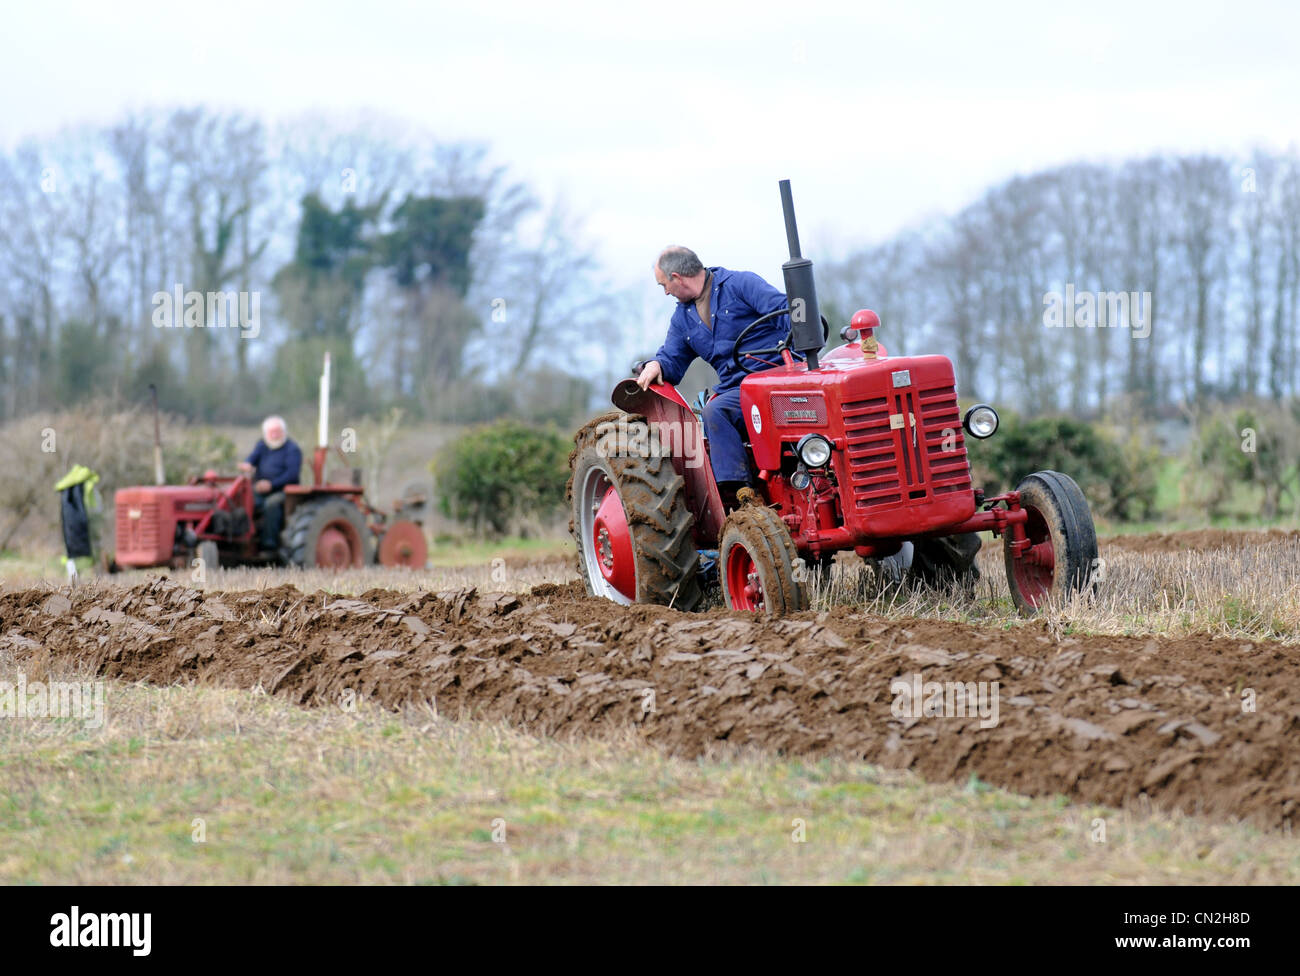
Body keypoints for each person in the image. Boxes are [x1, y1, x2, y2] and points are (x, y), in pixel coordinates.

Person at [637, 246, 790, 508]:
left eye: (664, 285)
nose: (665, 292)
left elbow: (786, 312)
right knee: (714, 411)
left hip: (778, 376)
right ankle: (742, 496)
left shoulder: (741, 284)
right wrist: (656, 365)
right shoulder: (682, 319)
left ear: (678, 277)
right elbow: (672, 359)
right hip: (738, 390)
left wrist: (799, 336)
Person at [237, 416, 302, 553]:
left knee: (271, 504)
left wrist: (271, 484)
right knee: (244, 501)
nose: (274, 435)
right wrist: (247, 465)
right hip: (261, 488)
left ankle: (269, 545)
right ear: (266, 433)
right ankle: (242, 539)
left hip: (284, 491)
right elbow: (252, 458)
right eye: (271, 432)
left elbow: (292, 474)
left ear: (284, 432)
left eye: (277, 432)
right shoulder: (262, 445)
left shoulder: (292, 449)